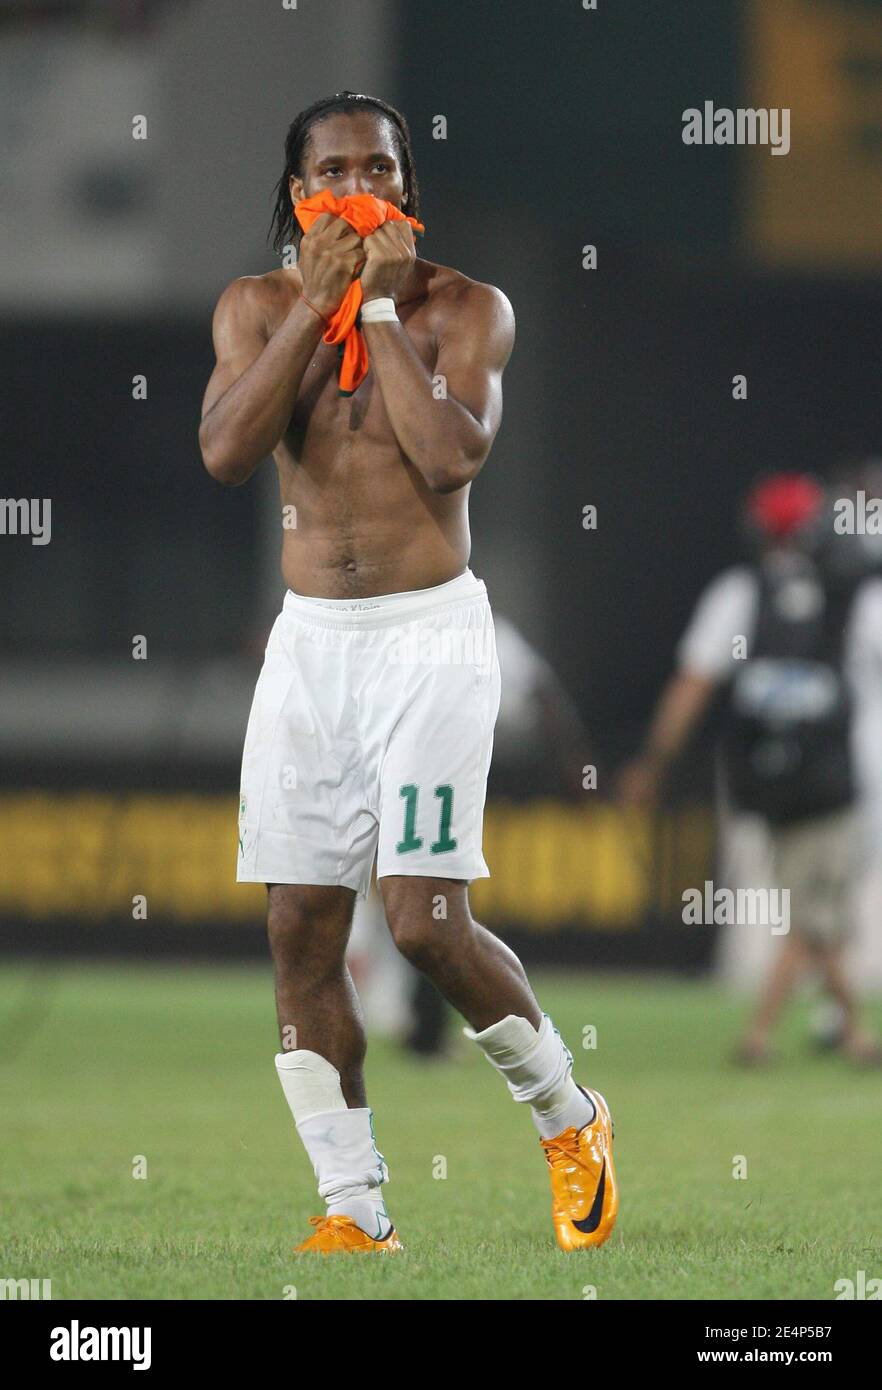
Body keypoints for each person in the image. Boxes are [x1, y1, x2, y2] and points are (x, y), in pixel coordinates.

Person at [199, 91, 617, 1253]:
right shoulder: (253, 306)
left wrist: (376, 309)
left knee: (427, 922)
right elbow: (229, 451)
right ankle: (353, 1206)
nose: (360, 188)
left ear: (408, 191)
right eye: (334, 170)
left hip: (429, 635)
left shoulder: (466, 309)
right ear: (299, 196)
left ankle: (570, 1115)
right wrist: (316, 310)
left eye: (381, 169)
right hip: (312, 644)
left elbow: (448, 456)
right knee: (301, 931)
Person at [617, 473, 882, 1067]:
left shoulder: (742, 592)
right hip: (846, 780)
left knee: (807, 910)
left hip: (766, 783)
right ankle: (804, 1031)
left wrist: (653, 763)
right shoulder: (854, 596)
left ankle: (827, 1028)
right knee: (819, 911)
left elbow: (694, 682)